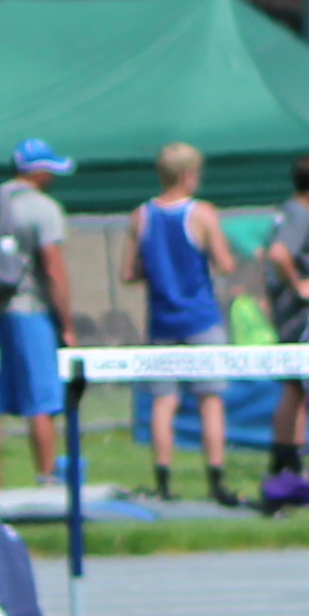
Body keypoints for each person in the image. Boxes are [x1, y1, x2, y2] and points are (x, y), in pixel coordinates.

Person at [124, 142, 236, 503]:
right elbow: (224, 262)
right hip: (200, 316)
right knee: (210, 400)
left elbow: (129, 271)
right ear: (188, 175)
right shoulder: (201, 213)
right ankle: (216, 479)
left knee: (163, 402)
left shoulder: (141, 215)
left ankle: (164, 481)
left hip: (162, 320)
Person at [0, 138, 73, 482]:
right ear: (37, 173)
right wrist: (66, 322)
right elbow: (53, 268)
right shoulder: (43, 208)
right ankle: (47, 477)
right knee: (41, 399)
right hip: (30, 312)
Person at [256, 150, 309, 486]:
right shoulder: (298, 216)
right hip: (298, 315)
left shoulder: (287, 212)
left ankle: (284, 458)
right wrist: (299, 287)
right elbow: (279, 254)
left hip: (287, 311)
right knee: (299, 387)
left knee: (295, 386)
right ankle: (291, 460)